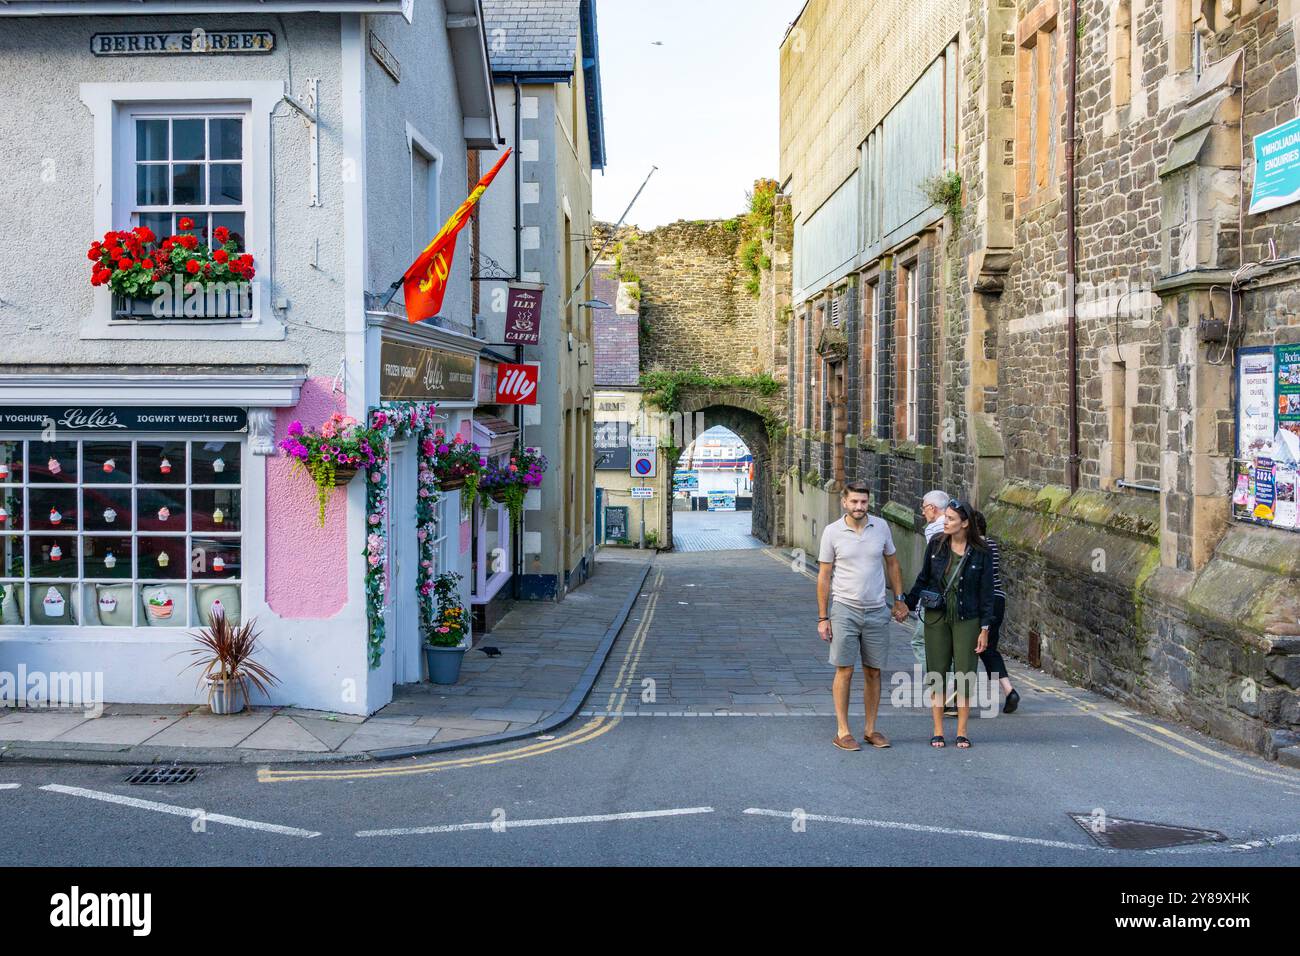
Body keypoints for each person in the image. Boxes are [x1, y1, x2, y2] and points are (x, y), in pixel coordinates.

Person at [896, 498, 996, 748]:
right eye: (945, 518)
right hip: (936, 616)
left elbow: (987, 593)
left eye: (950, 519)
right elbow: (923, 578)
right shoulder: (936, 545)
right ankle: (938, 730)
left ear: (964, 523)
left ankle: (962, 731)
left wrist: (985, 628)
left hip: (968, 618)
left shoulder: (982, 552)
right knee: (937, 673)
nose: (945, 522)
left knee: (965, 674)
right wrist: (905, 604)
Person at [818, 481, 909, 752]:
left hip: (877, 609)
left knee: (874, 671)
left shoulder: (881, 527)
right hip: (845, 608)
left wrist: (899, 600)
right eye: (854, 502)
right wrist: (823, 617)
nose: (859, 507)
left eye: (864, 502)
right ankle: (843, 731)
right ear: (844, 503)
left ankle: (870, 729)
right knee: (844, 669)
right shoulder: (832, 532)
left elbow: (892, 563)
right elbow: (823, 575)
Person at [973, 510, 1020, 714]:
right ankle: (1009, 691)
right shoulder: (991, 544)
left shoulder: (973, 547)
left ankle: (957, 697)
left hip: (981, 603)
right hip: (999, 599)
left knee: (967, 648)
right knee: (989, 649)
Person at [912, 490, 950, 668]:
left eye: (924, 507)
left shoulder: (935, 529)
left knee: (919, 641)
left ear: (933, 508)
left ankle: (941, 681)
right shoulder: (959, 526)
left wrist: (912, 601)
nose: (922, 512)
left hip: (935, 597)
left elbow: (928, 572)